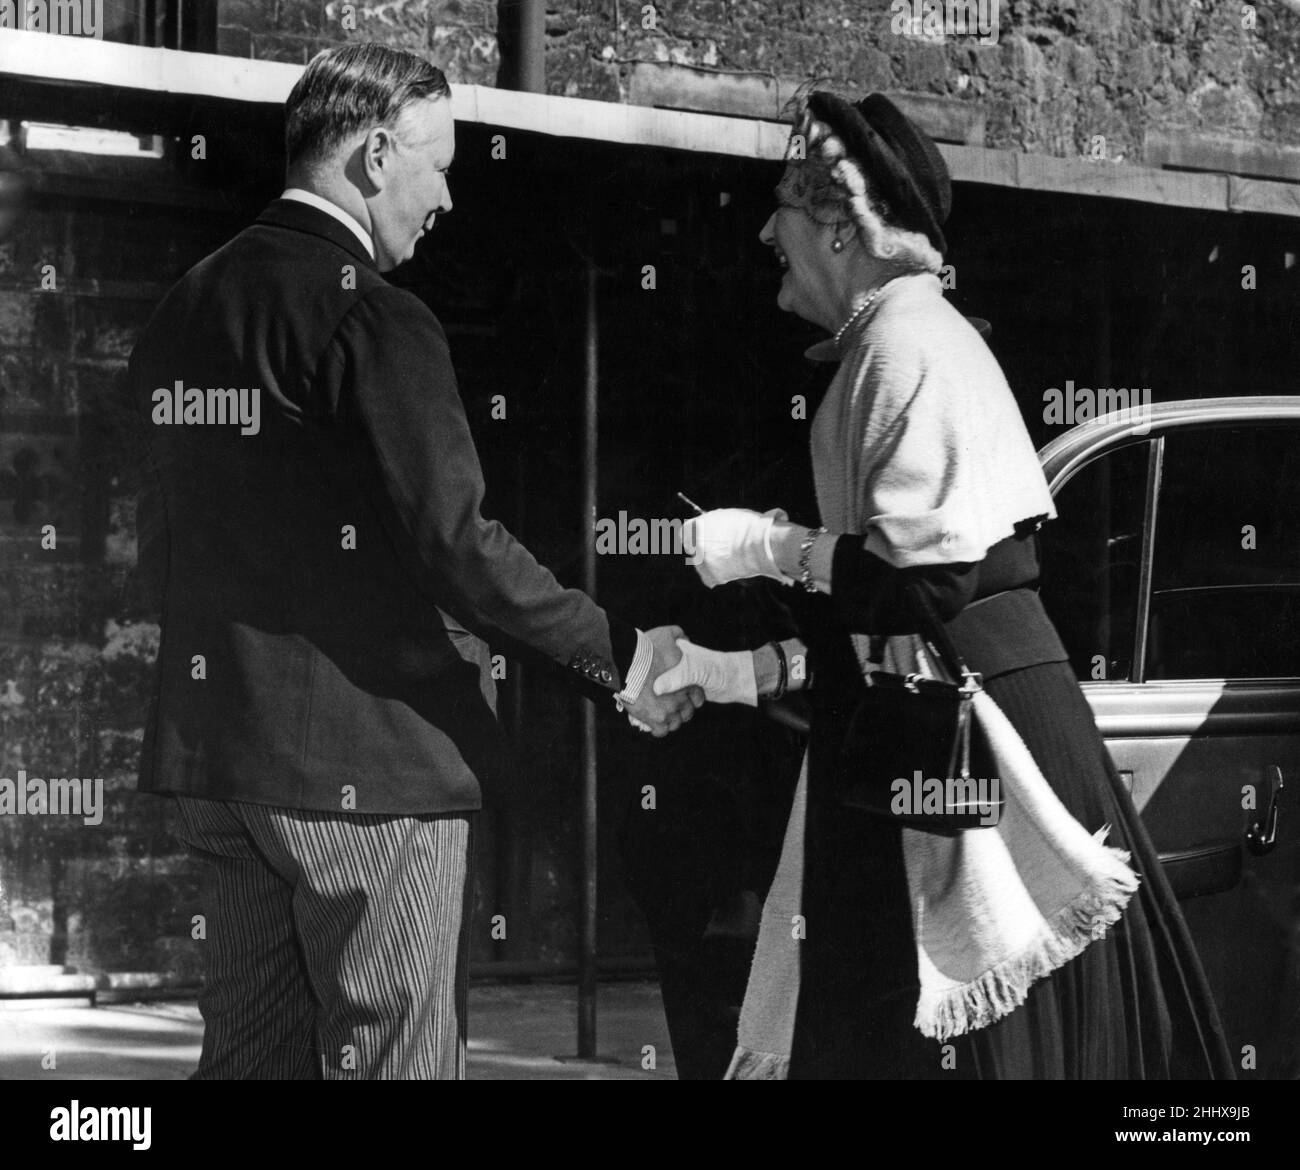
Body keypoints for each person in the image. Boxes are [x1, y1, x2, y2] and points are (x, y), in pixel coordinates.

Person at [127, 42, 698, 1080]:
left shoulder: (184, 309)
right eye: (440, 167)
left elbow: (153, 544)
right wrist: (621, 653)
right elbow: (457, 545)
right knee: (396, 1062)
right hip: (372, 774)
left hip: (220, 766)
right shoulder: (376, 316)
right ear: (378, 154)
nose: (445, 200)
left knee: (249, 1062)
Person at [656, 89, 1234, 1080]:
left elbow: (916, 590)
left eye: (782, 211)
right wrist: (736, 671)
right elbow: (880, 622)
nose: (762, 232)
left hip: (977, 726)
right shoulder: (884, 346)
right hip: (929, 722)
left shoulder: (910, 344)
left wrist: (767, 545)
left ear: (842, 228)